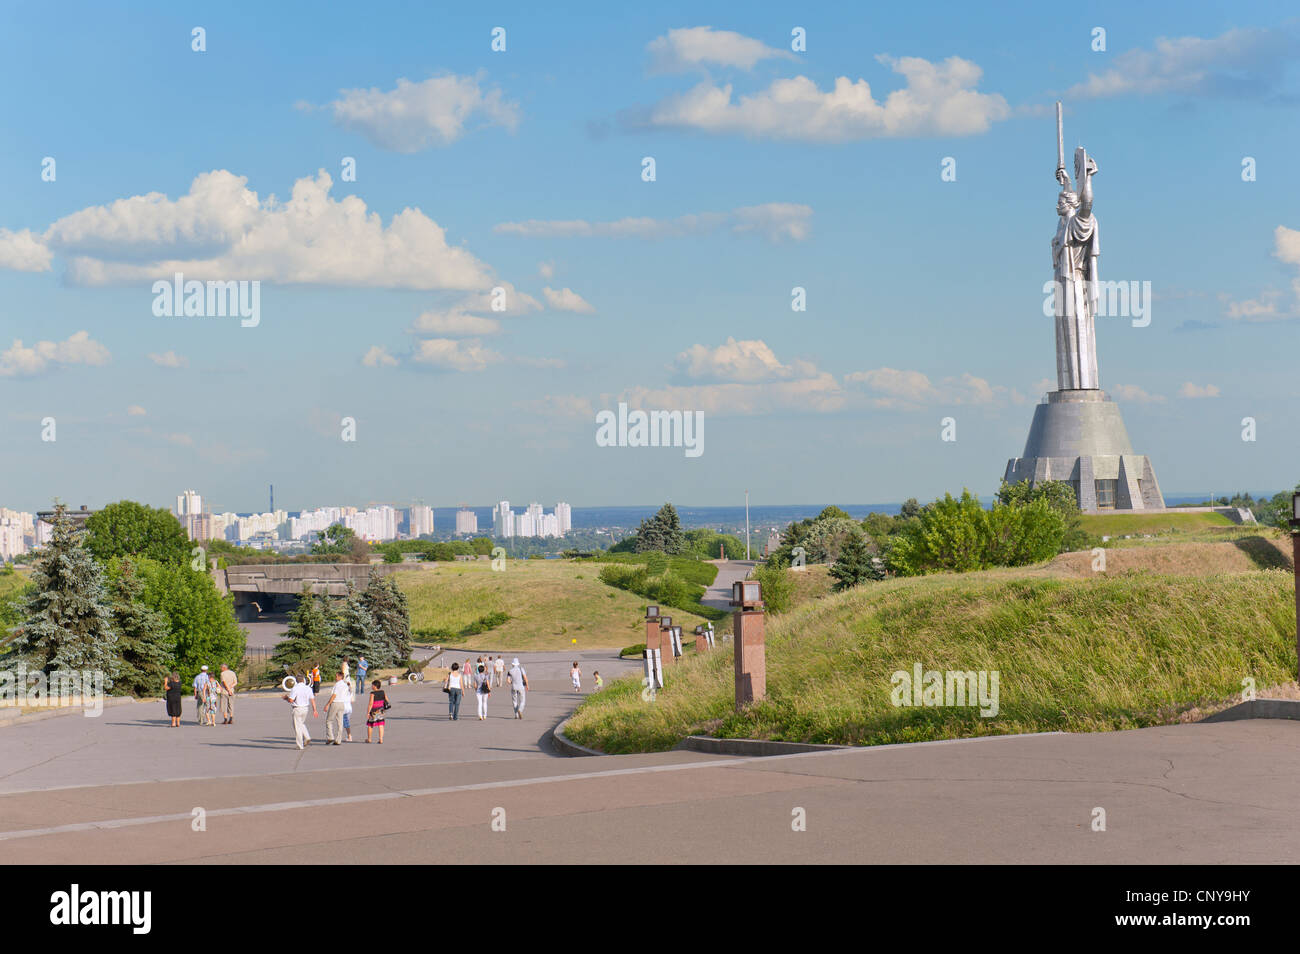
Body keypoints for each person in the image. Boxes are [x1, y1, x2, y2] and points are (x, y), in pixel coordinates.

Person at [283, 675, 318, 749]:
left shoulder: (295, 688)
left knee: (297, 726)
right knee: (301, 723)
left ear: (296, 680)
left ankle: (300, 745)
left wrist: (286, 698)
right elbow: (312, 699)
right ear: (303, 680)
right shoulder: (308, 688)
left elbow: (291, 700)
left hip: (297, 708)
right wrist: (314, 710)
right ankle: (307, 736)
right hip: (305, 708)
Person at [324, 670, 351, 745]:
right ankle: (338, 739)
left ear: (340, 677)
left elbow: (334, 695)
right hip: (342, 704)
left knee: (329, 720)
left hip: (335, 703)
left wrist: (328, 704)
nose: (335, 678)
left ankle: (330, 737)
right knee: (340, 722)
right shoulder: (345, 685)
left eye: (336, 676)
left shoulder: (337, 684)